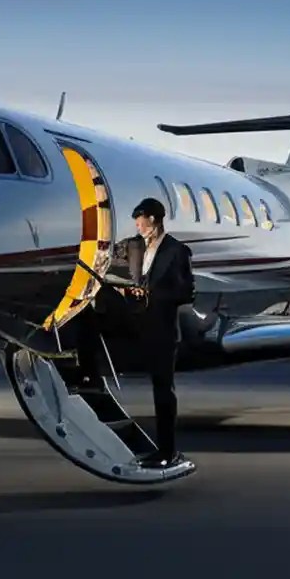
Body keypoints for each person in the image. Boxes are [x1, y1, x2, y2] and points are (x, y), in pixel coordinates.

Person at [126, 196, 194, 467]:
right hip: (134, 325)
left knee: (163, 390)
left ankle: (167, 450)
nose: (137, 225)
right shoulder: (132, 247)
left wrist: (152, 293)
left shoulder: (177, 251)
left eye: (140, 220)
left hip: (162, 329)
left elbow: (186, 292)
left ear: (153, 219)